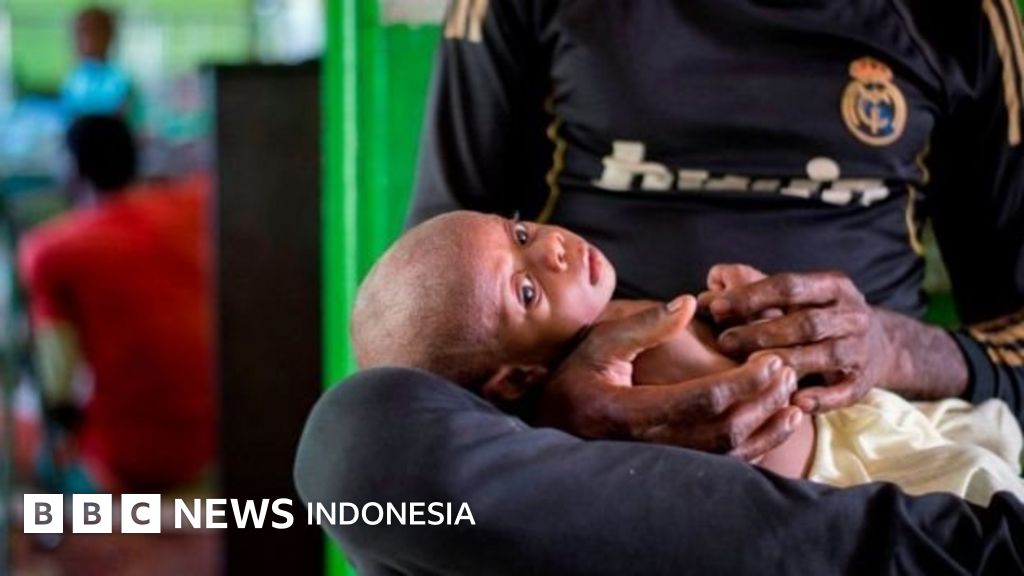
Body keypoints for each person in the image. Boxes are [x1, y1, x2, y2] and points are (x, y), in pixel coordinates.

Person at [297, 0, 1024, 572]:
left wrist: (889, 346)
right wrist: (561, 411)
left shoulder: (961, 17)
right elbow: (437, 325)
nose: (545, 248)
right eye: (525, 268)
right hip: (586, 484)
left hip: (855, 448)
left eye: (524, 232)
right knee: (351, 440)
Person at [352, 210, 1024, 505]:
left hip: (870, 412)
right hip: (849, 466)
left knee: (992, 427)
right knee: (982, 489)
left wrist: (746, 308)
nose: (551, 249)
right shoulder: (604, 396)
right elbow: (752, 439)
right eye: (526, 289)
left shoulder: (602, 319)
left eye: (521, 232)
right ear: (518, 377)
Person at [18, 115, 214, 492]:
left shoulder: (51, 250)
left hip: (126, 459)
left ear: (71, 170)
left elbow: (55, 385)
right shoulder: (193, 209)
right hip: (214, 438)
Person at [61, 7, 134, 122]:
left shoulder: (119, 80)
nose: (86, 40)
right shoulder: (74, 79)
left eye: (95, 32)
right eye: (81, 33)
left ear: (109, 37)